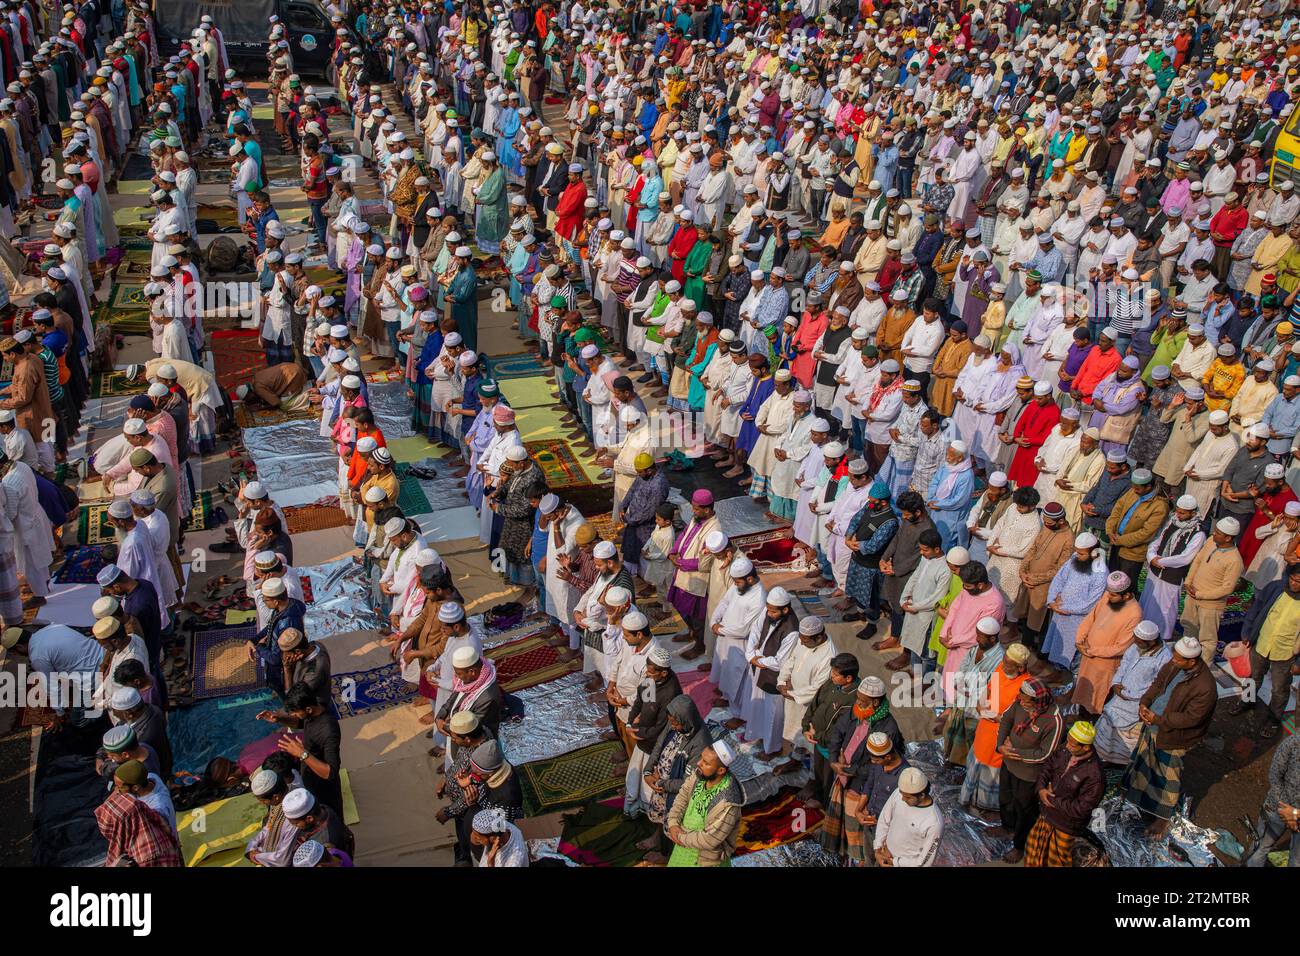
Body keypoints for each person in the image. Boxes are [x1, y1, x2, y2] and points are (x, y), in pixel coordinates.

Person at [1123, 636, 1219, 836]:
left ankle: (1162, 818)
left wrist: (1159, 719)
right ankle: (1137, 798)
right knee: (1145, 763)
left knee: (1167, 777)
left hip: (1175, 735)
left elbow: (1191, 719)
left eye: (1178, 659)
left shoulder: (1205, 686)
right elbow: (1158, 684)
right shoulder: (1175, 664)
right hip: (1153, 722)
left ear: (1191, 661)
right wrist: (1145, 702)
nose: (1173, 660)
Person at [996, 678, 1065, 864]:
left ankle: (1020, 845)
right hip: (1009, 763)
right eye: (1021, 697)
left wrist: (1015, 752)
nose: (1021, 701)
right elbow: (1006, 719)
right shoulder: (1020, 703)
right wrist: (1001, 744)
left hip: (1029, 773)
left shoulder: (1053, 721)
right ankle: (1006, 826)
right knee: (1005, 797)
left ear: (1038, 701)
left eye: (1027, 700)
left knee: (1025, 810)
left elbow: (1045, 754)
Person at [1023, 720, 1106, 868]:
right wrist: (1041, 788)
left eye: (1072, 744)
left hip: (1065, 826)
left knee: (1056, 862)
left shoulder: (1095, 776)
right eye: (1068, 740)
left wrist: (1051, 801)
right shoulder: (1065, 749)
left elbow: (1081, 809)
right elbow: (1048, 767)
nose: (1067, 746)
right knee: (1033, 852)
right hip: (1046, 815)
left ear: (1086, 747)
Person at [1094, 621, 1173, 766]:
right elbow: (1124, 664)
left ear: (1152, 641)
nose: (1136, 643)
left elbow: (1157, 686)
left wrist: (1131, 694)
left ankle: (1121, 763)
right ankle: (1103, 756)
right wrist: (1116, 683)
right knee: (1107, 727)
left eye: (1139, 641)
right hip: (1118, 698)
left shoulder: (1165, 658)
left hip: (1136, 704)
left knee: (1127, 737)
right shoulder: (1135, 647)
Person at [665, 741, 743, 867]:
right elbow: (682, 798)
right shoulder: (699, 776)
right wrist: (673, 823)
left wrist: (680, 837)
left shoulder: (728, 803)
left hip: (705, 860)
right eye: (702, 758)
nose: (698, 763)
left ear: (721, 770)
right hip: (682, 848)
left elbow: (710, 840)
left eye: (706, 763)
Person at [873, 767, 943, 867]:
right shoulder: (900, 792)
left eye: (908, 797)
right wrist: (878, 848)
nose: (902, 799)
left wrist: (895, 862)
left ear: (922, 795)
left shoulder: (934, 822)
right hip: (884, 855)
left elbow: (924, 861)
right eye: (902, 794)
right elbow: (884, 819)